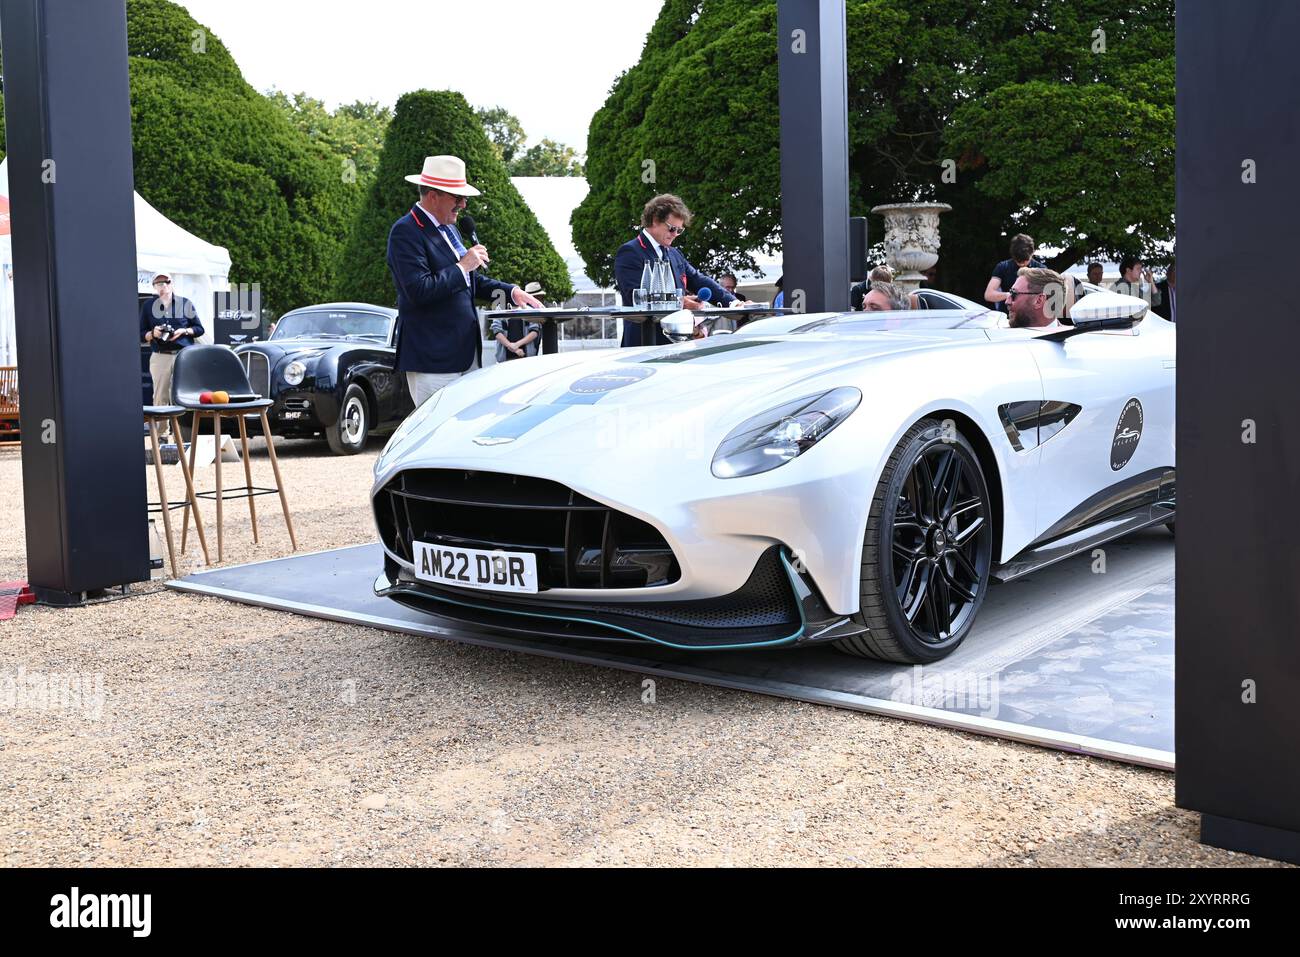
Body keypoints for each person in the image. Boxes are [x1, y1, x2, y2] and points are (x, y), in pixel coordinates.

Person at [386, 155, 543, 406]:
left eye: (464, 198)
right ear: (433, 195)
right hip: (433, 360)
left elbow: (469, 281)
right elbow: (419, 289)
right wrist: (463, 265)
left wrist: (511, 291)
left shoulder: (450, 229)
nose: (463, 204)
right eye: (457, 198)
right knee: (437, 437)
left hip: (465, 355)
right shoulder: (405, 231)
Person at [613, 194, 738, 347]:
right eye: (672, 228)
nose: (675, 235)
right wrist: (680, 302)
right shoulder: (630, 251)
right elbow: (636, 296)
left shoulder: (674, 253)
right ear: (654, 220)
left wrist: (734, 303)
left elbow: (698, 279)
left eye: (679, 230)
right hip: (644, 341)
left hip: (677, 342)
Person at [139, 271, 203, 407]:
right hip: (160, 356)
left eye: (167, 282)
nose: (164, 286)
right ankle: (162, 429)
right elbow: (140, 334)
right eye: (159, 283)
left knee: (184, 395)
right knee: (160, 396)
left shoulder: (185, 303)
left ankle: (183, 428)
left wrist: (184, 331)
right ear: (154, 287)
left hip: (183, 355)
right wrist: (153, 333)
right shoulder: (148, 306)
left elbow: (199, 329)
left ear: (172, 284)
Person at [985, 234, 1045, 312]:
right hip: (1007, 315)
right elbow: (988, 295)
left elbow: (1047, 296)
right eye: (1018, 261)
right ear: (1013, 255)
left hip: (1031, 317)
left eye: (1026, 260)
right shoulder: (1003, 267)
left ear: (1032, 252)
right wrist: (1009, 295)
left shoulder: (1041, 270)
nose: (1022, 264)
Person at [1006, 267, 1071, 330]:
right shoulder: (1001, 337)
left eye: (1014, 293)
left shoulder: (1073, 340)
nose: (1007, 301)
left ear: (1039, 300)